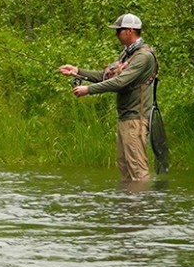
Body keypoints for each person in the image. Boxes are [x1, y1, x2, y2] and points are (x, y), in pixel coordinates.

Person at [58, 13, 159, 182]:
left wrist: (88, 90)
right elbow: (107, 76)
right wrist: (78, 71)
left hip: (136, 118)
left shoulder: (143, 57)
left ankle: (144, 207)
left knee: (138, 170)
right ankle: (130, 205)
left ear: (130, 31)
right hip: (126, 118)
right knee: (124, 166)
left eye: (118, 31)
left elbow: (120, 82)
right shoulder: (127, 55)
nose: (117, 35)